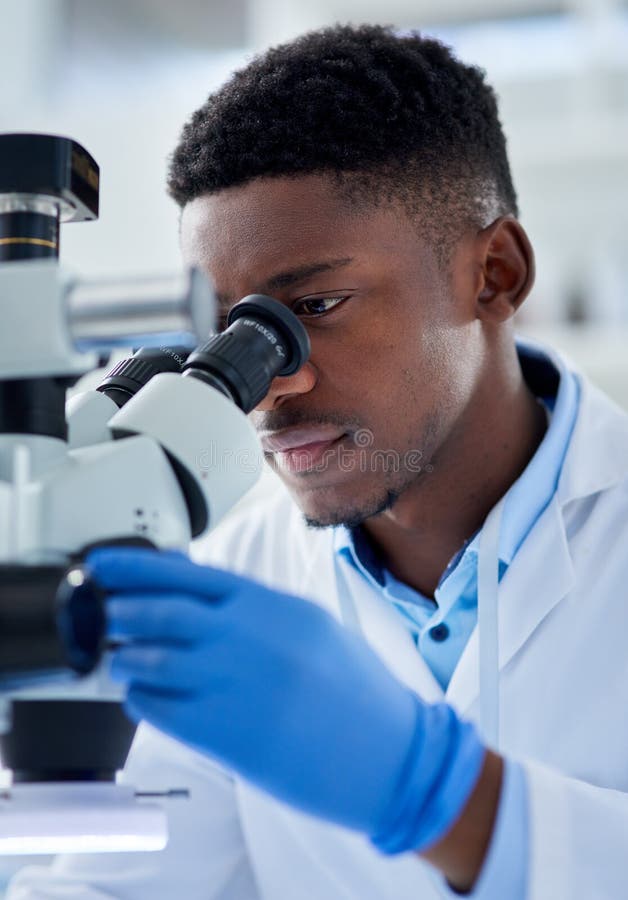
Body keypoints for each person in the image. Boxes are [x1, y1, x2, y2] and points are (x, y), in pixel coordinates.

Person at [8, 23, 628, 900]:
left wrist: (443, 798)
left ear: (495, 274)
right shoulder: (231, 585)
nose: (269, 385)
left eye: (315, 305)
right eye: (228, 335)